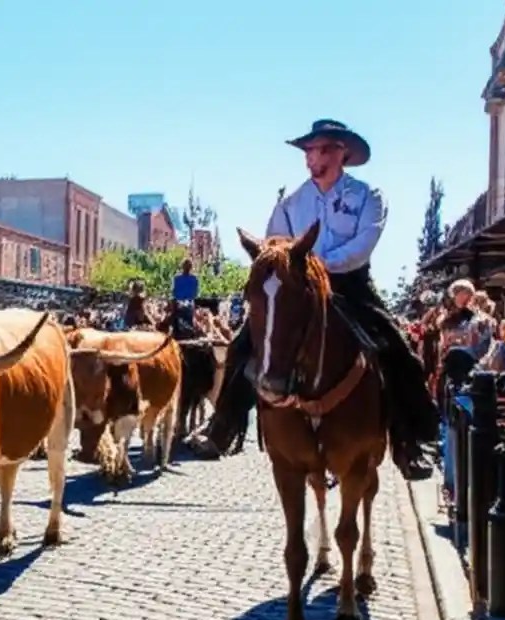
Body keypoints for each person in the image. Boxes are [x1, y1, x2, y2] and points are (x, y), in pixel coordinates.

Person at [187, 119, 438, 479]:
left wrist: (319, 266)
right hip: (296, 288)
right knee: (245, 343)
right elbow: (275, 245)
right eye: (309, 150)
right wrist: (294, 272)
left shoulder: (368, 196)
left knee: (395, 349)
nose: (313, 157)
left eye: (323, 149)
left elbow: (362, 246)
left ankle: (409, 439)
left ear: (342, 153)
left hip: (349, 285)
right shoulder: (291, 203)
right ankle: (223, 425)